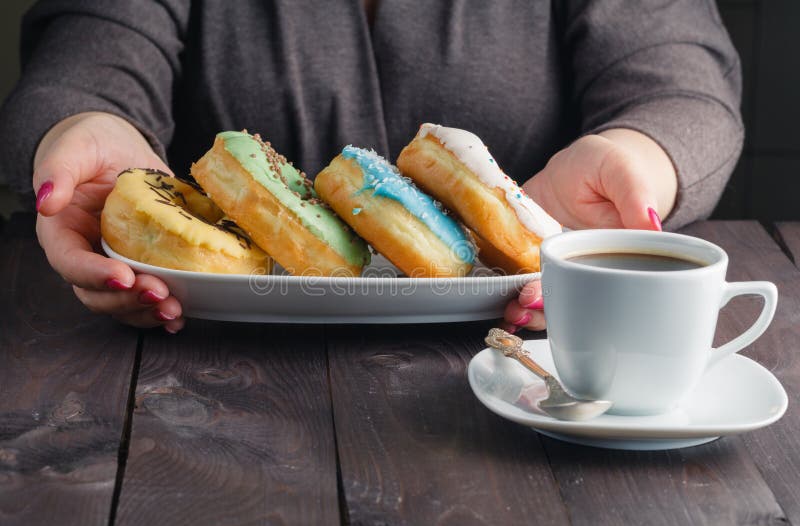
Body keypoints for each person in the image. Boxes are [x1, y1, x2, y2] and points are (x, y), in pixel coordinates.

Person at [0, 1, 743, 335]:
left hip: (517, 368)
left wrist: (636, 158)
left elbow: (683, 85)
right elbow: (88, 55)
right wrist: (76, 127)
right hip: (200, 364)